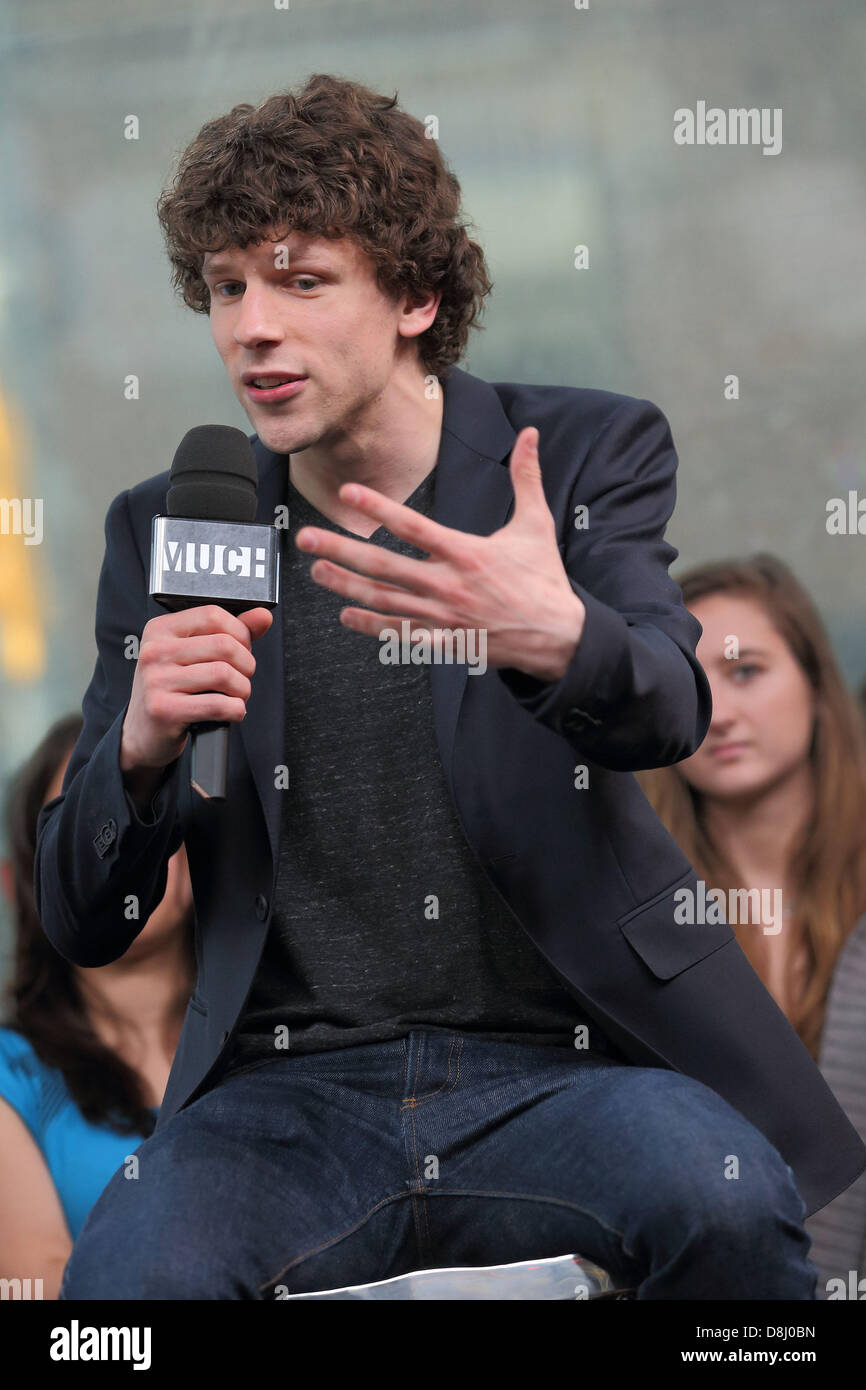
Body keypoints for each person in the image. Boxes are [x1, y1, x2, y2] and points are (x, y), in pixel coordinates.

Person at [35, 73, 865, 1301]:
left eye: (299, 280)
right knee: (120, 1293)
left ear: (416, 298)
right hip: (286, 1095)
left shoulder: (576, 451)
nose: (249, 327)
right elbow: (80, 915)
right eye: (224, 288)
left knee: (720, 1209)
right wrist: (140, 752)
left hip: (566, 1067)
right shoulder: (165, 526)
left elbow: (666, 709)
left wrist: (555, 633)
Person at [637, 554, 866, 1297]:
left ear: (816, 685)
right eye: (695, 683)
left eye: (746, 672)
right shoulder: (629, 909)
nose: (722, 712)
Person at [0, 713, 195, 1297]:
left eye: (145, 808)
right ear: (29, 881)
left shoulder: (279, 1039)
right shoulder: (13, 1078)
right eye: (92, 830)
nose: (125, 852)